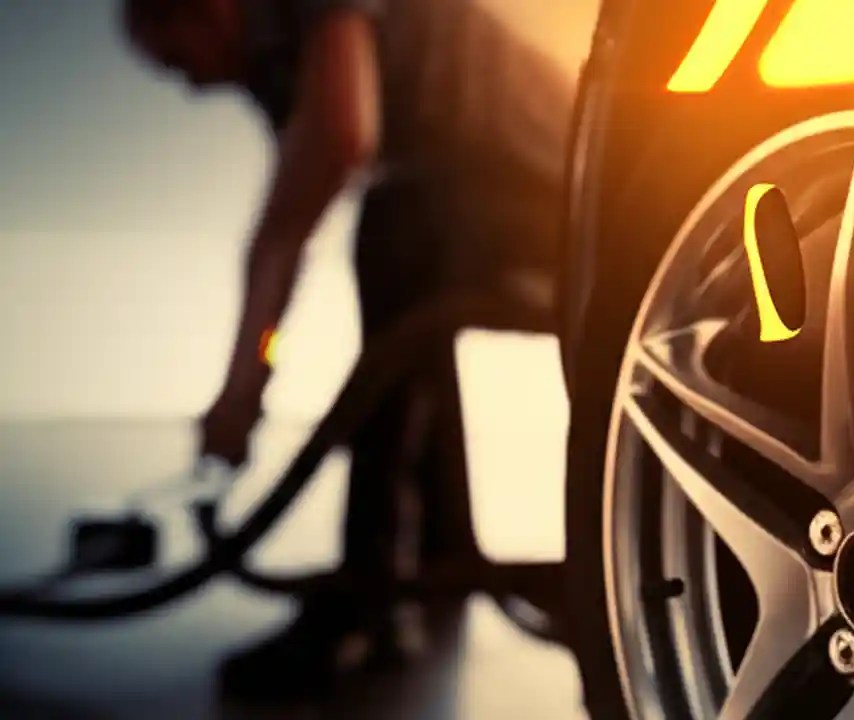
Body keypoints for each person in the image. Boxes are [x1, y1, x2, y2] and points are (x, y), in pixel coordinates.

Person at [122, 0, 572, 698]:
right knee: (415, 286)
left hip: (566, 205)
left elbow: (338, 142)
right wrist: (252, 376)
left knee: (399, 229)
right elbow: (291, 228)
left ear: (204, 15)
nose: (190, 85)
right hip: (488, 209)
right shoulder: (278, 70)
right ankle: (436, 556)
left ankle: (373, 599)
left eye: (178, 61)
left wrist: (244, 388)